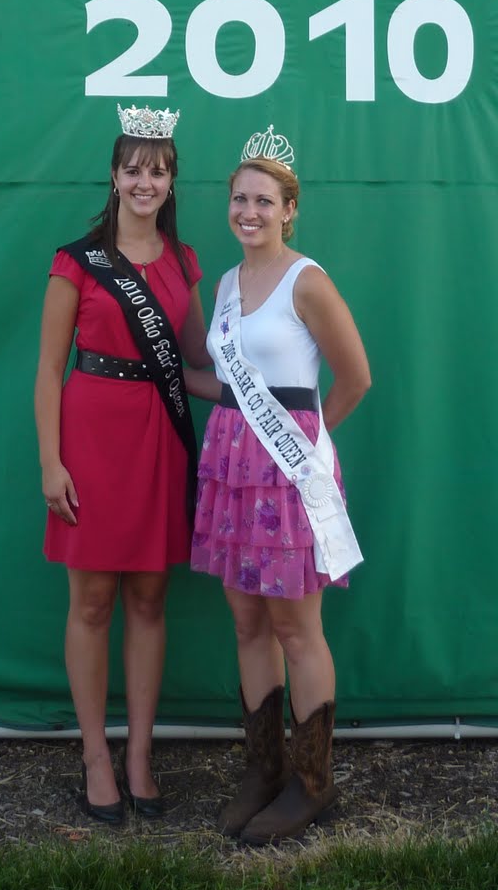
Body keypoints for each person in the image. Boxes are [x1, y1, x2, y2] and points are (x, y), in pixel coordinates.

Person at [187, 129, 371, 843]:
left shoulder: (308, 281)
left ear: (289, 210)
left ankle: (312, 782)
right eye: (239, 198)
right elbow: (227, 384)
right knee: (246, 621)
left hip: (289, 469)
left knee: (297, 626)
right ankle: (262, 769)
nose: (249, 211)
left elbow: (354, 378)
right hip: (234, 464)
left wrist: (308, 443)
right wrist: (167, 378)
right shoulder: (228, 287)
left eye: (264, 200)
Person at [35, 105, 209, 826]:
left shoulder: (184, 262)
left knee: (147, 601)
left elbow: (195, 366)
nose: (146, 181)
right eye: (134, 168)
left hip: (158, 439)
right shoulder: (77, 261)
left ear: (171, 182)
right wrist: (51, 462)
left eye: (159, 170)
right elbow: (48, 371)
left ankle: (139, 754)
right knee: (93, 603)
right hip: (90, 440)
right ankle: (94, 756)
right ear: (114, 175)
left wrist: (268, 401)